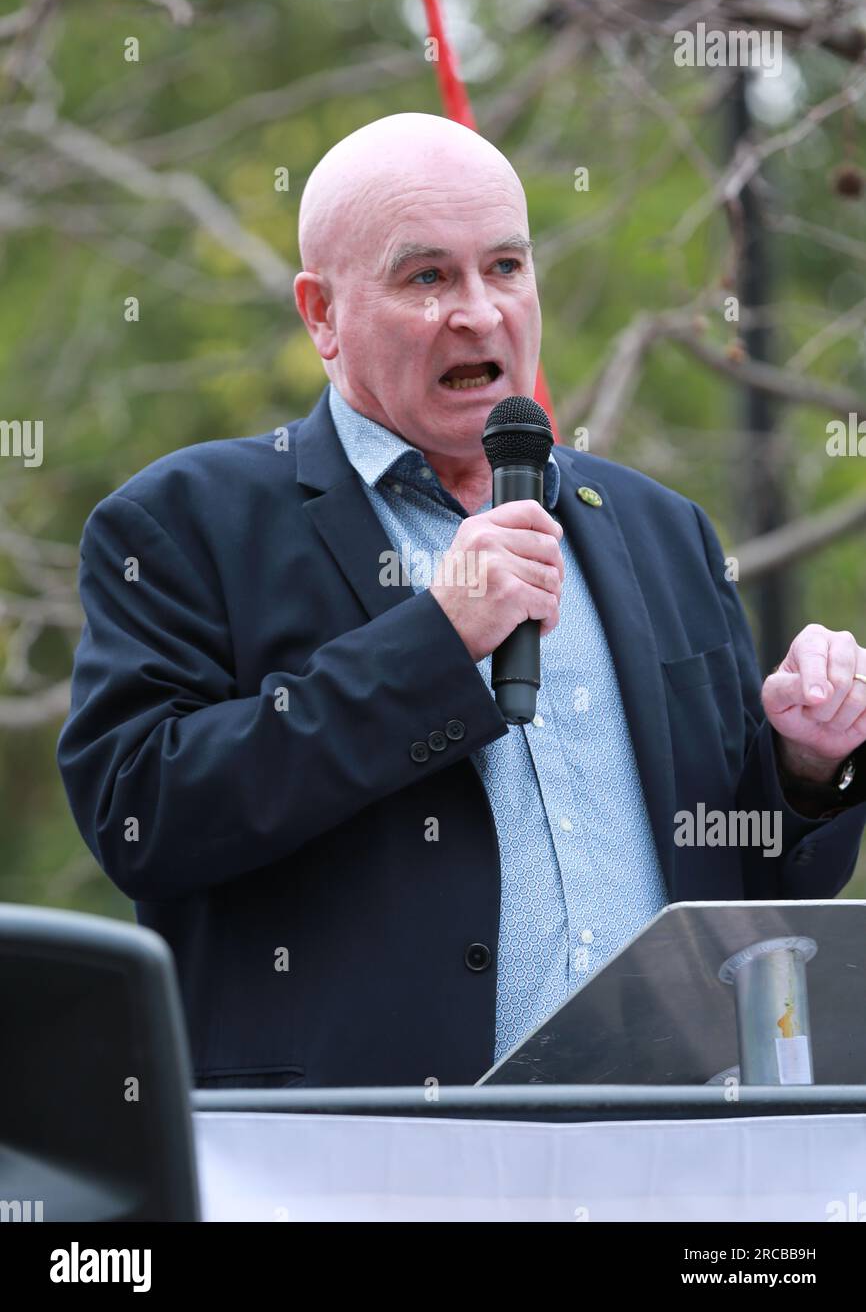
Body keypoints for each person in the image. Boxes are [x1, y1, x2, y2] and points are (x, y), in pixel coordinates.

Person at [57, 112, 866, 1088]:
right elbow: (142, 816)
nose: (478, 313)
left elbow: (756, 879)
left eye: (505, 267)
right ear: (319, 312)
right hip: (364, 1166)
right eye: (426, 276)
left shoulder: (659, 529)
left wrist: (803, 766)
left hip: (667, 1147)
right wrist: (433, 645)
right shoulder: (184, 524)